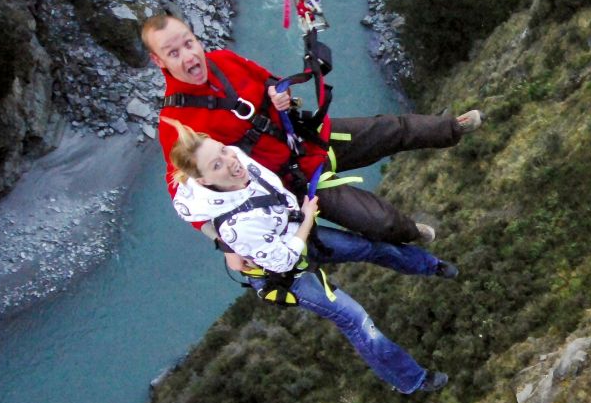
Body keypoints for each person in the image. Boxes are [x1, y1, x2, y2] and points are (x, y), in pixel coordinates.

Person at [141, 13, 483, 257]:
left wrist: (279, 93)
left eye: (189, 43)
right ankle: (411, 233)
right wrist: (228, 241)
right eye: (174, 53)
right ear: (159, 61)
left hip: (309, 140)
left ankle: (453, 127)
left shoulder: (225, 61)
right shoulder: (176, 121)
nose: (189, 56)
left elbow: (271, 81)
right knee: (376, 220)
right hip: (297, 184)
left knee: (389, 129)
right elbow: (182, 194)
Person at [166, 119, 455, 394]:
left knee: (372, 247)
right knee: (356, 319)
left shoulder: (233, 163)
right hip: (285, 272)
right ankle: (412, 380)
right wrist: (306, 219)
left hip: (292, 231)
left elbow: (197, 202)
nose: (230, 161)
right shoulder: (237, 226)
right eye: (217, 164)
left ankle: (431, 266)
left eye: (224, 150)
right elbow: (282, 261)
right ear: (204, 180)